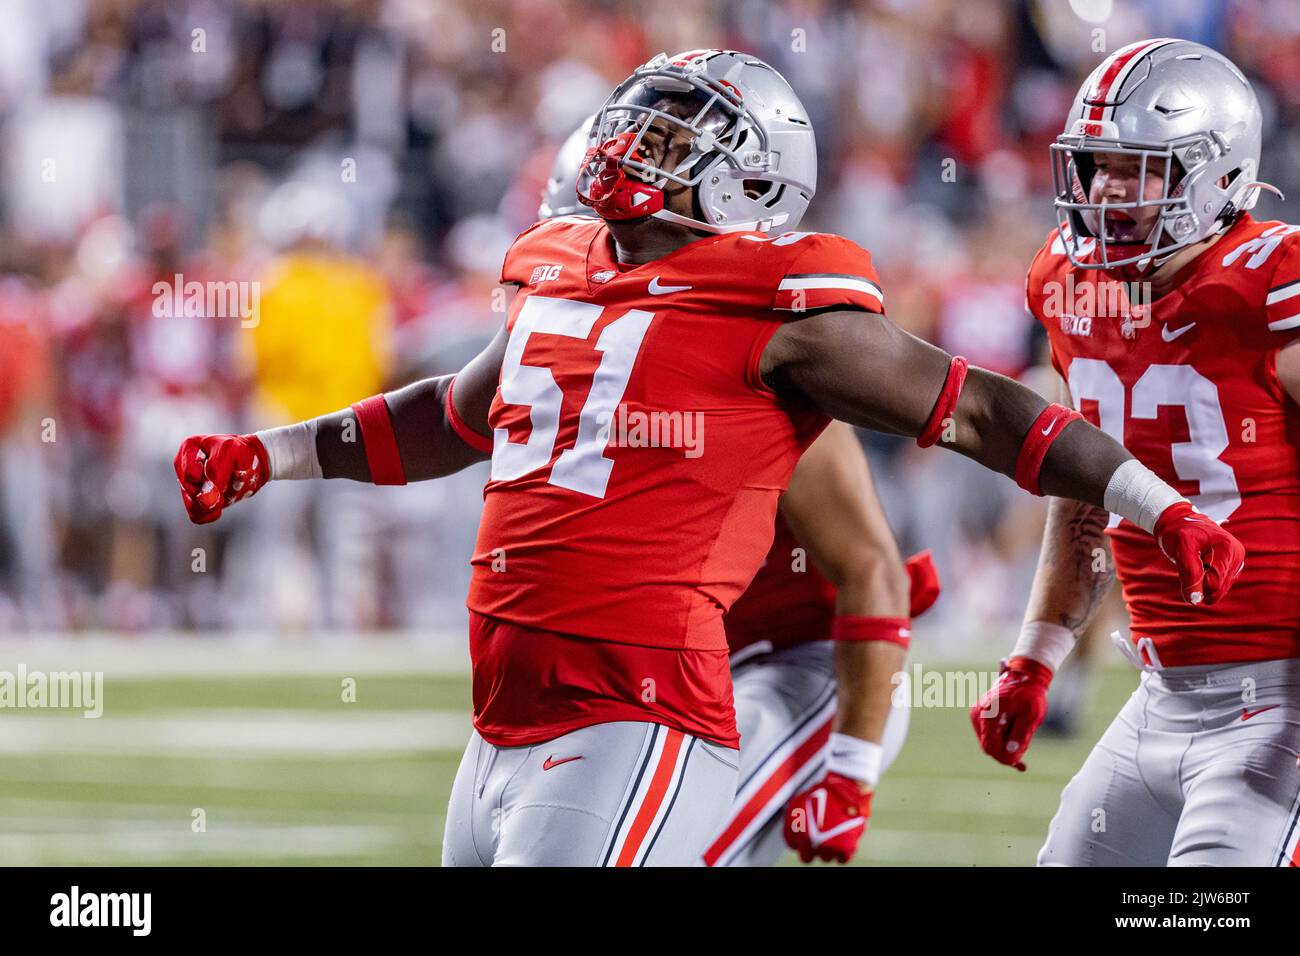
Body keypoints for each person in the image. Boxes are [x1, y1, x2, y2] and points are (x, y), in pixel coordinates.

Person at [176, 49, 1243, 866]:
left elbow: (987, 416)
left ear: (747, 182)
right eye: (641, 122)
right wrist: (269, 453)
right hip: (506, 709)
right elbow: (443, 420)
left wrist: (1154, 503)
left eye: (676, 138)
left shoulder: (781, 309)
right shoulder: (563, 271)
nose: (636, 144)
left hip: (639, 704)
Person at [971, 38, 1299, 866]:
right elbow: (1081, 486)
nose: (1109, 191)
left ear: (1216, 174)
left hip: (1280, 699)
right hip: (1162, 696)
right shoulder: (1067, 285)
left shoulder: (1267, 279)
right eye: (1099, 166)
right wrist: (1036, 654)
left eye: (1139, 168)